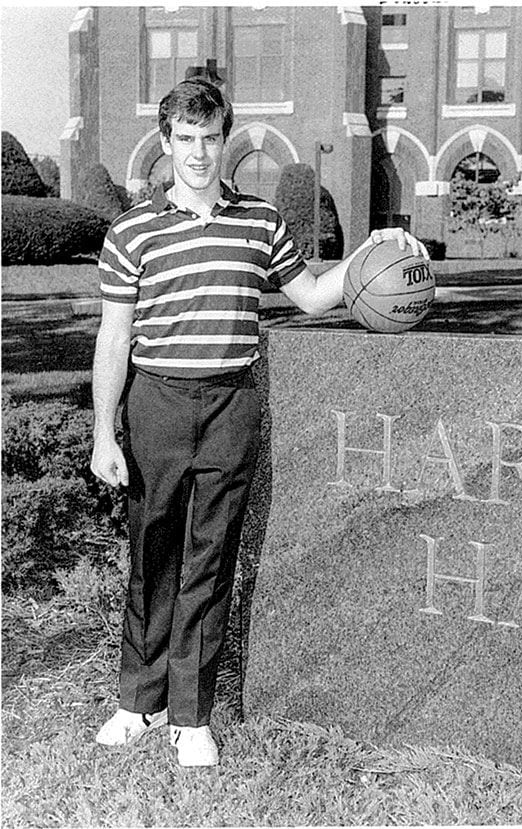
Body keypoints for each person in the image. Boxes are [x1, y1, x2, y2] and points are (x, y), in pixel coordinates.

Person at [91, 77, 427, 767]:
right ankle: (138, 700)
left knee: (209, 559)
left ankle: (190, 715)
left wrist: (376, 250)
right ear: (166, 143)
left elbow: (311, 295)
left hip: (230, 405)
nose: (198, 153)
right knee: (152, 555)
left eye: (210, 139)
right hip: (156, 400)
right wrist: (104, 431)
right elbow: (114, 338)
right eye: (185, 139)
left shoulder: (261, 222)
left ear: (226, 141)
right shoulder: (132, 232)